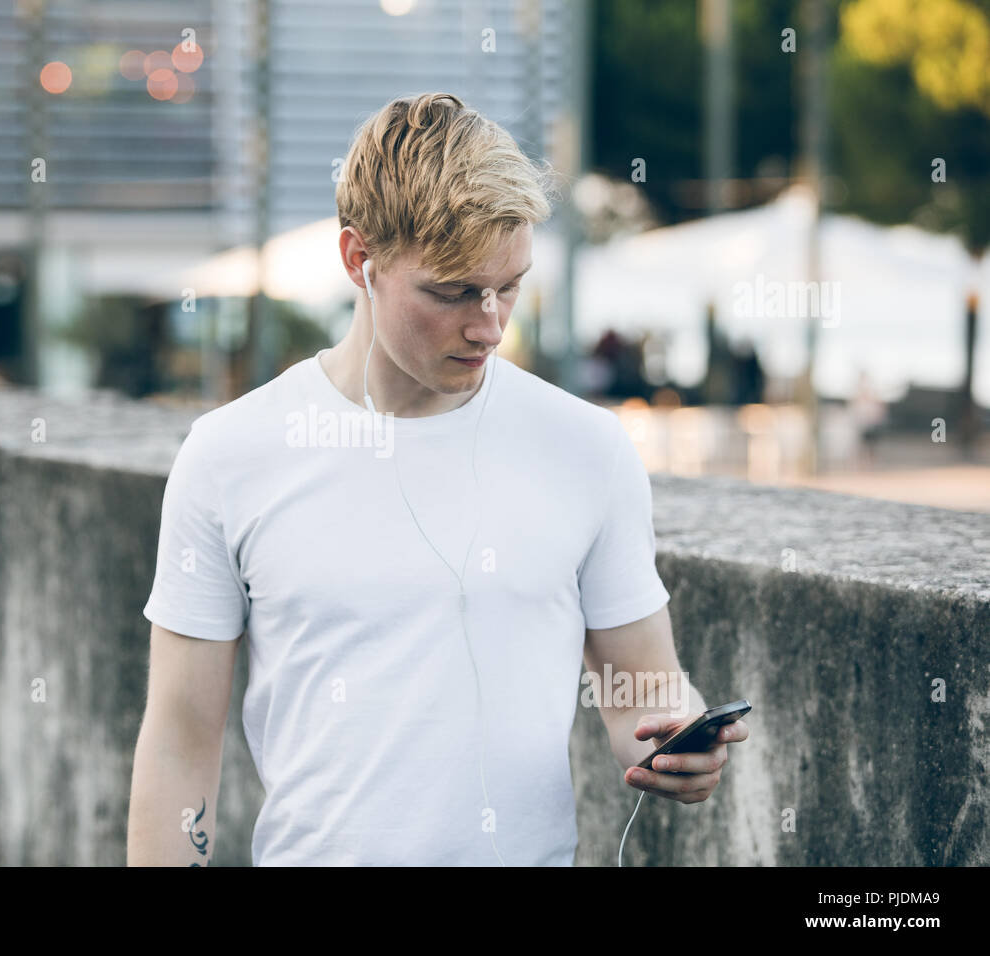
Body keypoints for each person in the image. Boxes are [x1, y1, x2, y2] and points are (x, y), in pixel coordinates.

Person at [127, 92, 748, 867]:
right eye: (453, 292)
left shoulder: (587, 447)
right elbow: (181, 739)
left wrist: (678, 739)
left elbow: (641, 691)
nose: (490, 324)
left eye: (511, 285)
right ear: (360, 260)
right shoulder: (229, 455)